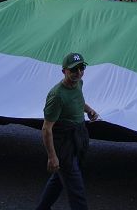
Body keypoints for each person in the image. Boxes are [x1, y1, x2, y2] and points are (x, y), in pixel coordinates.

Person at [36, 52, 100, 210]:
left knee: (59, 179)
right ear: (64, 71)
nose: (78, 72)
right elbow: (46, 129)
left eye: (81, 67)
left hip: (78, 136)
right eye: (73, 70)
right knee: (75, 187)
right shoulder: (57, 95)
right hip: (64, 142)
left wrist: (89, 110)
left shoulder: (79, 83)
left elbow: (79, 100)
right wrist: (52, 157)